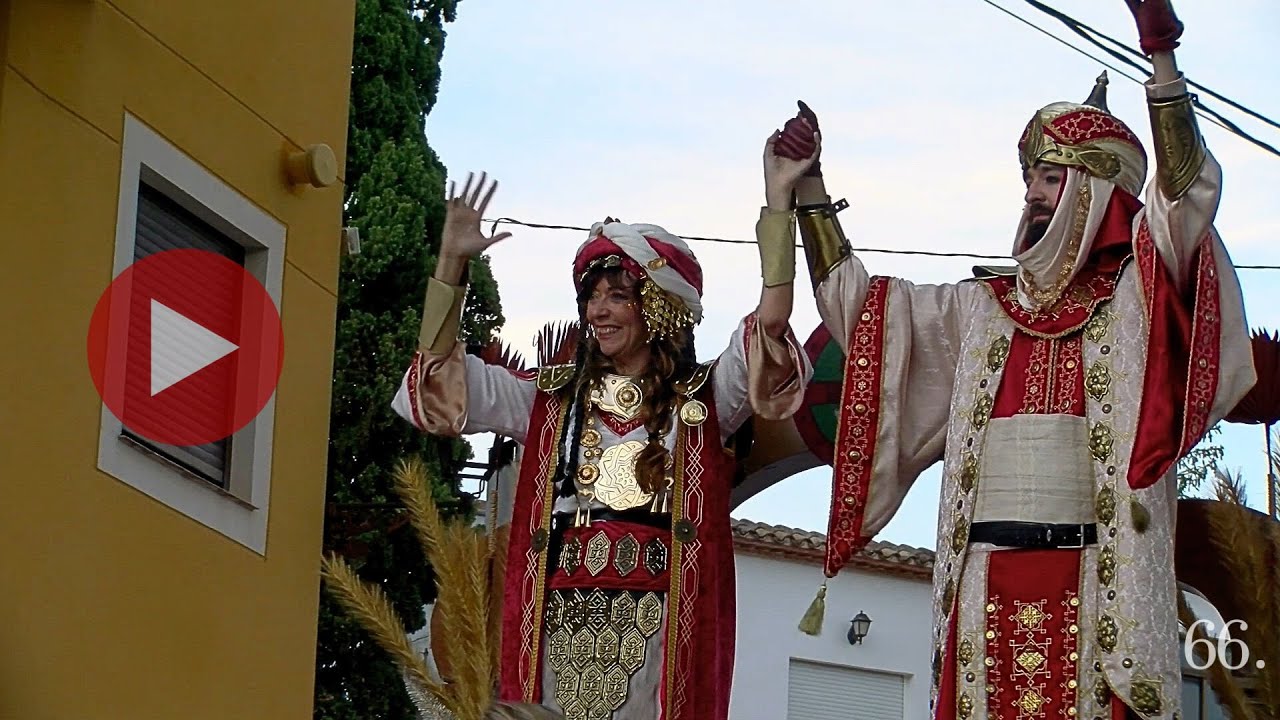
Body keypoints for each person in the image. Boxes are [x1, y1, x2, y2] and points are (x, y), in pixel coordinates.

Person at [773, 1, 1255, 718]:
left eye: (1051, 179)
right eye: (1029, 178)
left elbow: (1186, 198)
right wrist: (808, 193)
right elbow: (863, 311)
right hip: (983, 581)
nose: (1030, 194)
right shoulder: (980, 307)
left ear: (1097, 194)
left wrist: (1161, 57)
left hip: (1100, 585)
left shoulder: (1140, 295)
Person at [390, 133, 817, 720]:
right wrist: (451, 264)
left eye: (618, 296)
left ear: (659, 304)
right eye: (592, 297)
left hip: (658, 639)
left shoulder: (705, 399)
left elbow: (770, 324)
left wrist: (778, 205)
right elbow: (438, 384)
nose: (598, 311)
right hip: (553, 628)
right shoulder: (550, 401)